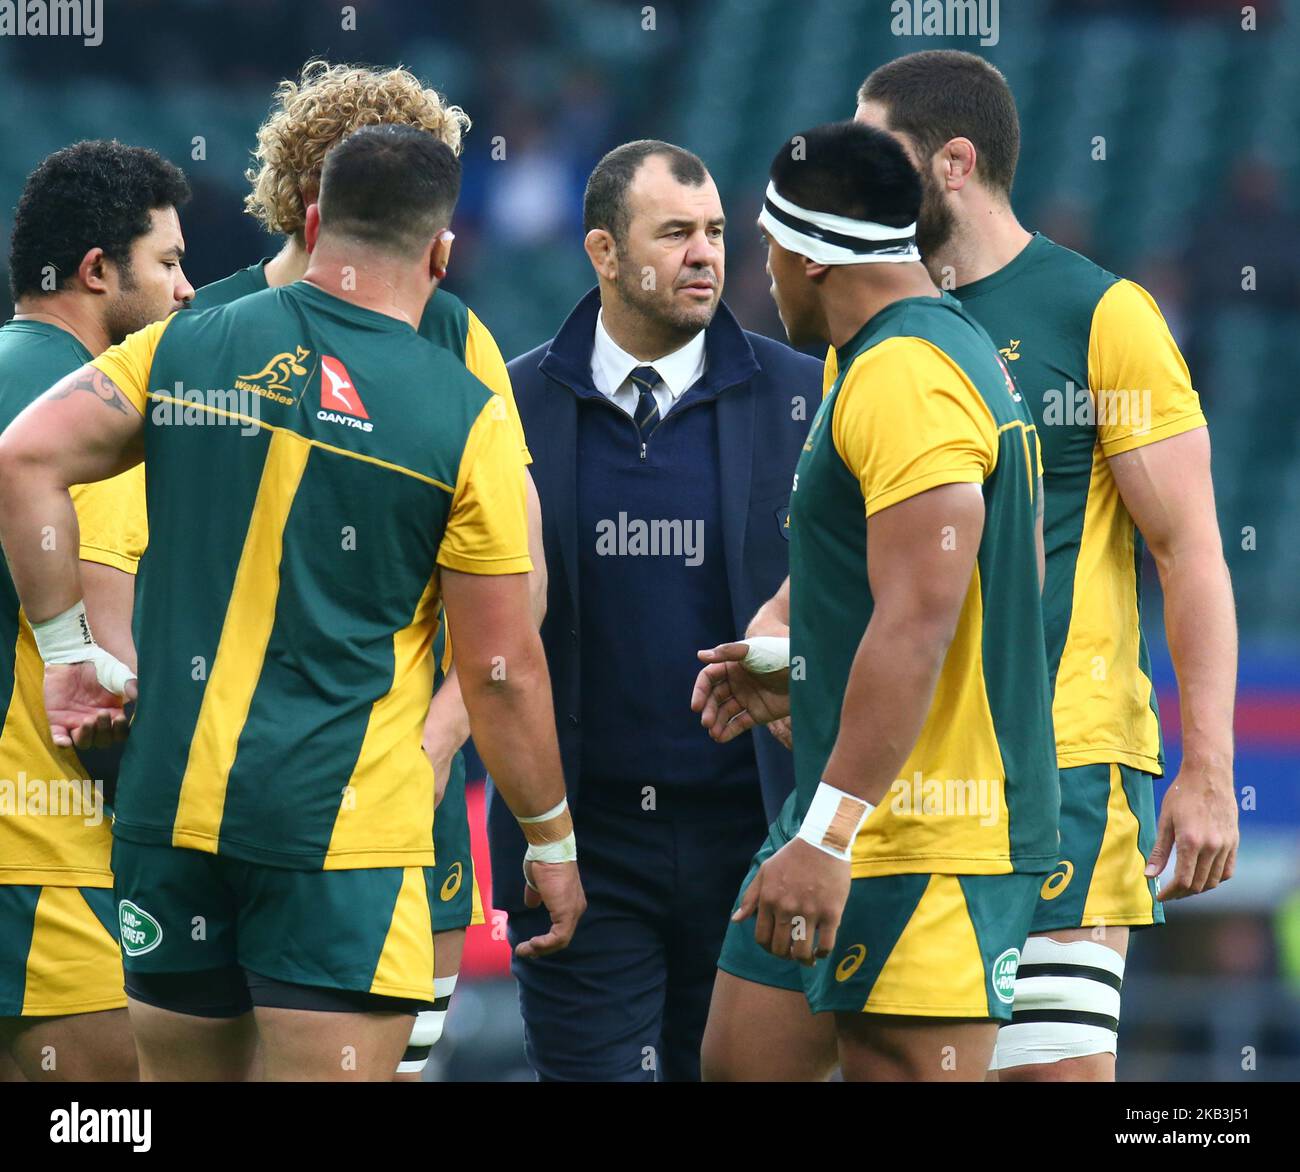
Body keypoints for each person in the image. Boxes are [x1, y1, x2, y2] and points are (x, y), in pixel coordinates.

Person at [0, 125, 584, 1082]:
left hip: (173, 819)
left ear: (312, 220)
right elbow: (500, 664)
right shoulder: (460, 406)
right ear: (442, 252)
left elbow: (23, 458)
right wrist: (550, 840)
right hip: (338, 837)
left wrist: (68, 655)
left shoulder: (185, 345)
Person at [853, 50, 1238, 1080]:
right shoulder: (879, 326)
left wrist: (1207, 768)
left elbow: (1188, 548)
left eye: (879, 152)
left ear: (953, 163)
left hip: (1060, 764)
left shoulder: (1100, 314)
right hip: (905, 769)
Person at [188, 59, 549, 1079]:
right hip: (216, 791)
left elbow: (519, 572)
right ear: (314, 200)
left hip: (390, 793)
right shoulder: (200, 332)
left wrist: (436, 741)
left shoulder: (453, 336)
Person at [695, 119, 1058, 1082]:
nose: (760, 272)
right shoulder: (892, 353)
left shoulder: (906, 374)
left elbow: (920, 617)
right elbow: (1005, 569)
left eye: (766, 247)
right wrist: (808, 673)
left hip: (926, 828)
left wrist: (827, 832)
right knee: (738, 1064)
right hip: (854, 804)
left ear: (811, 255)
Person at [492, 139, 821, 1081]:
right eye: (675, 233)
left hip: (756, 840)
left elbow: (867, 598)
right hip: (582, 851)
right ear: (603, 253)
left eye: (716, 232)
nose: (706, 255)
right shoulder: (508, 406)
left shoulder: (806, 397)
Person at [0, 140, 193, 1082]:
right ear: (95, 272)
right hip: (44, 856)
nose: (186, 290)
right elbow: (115, 682)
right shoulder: (92, 423)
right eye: (167, 263)